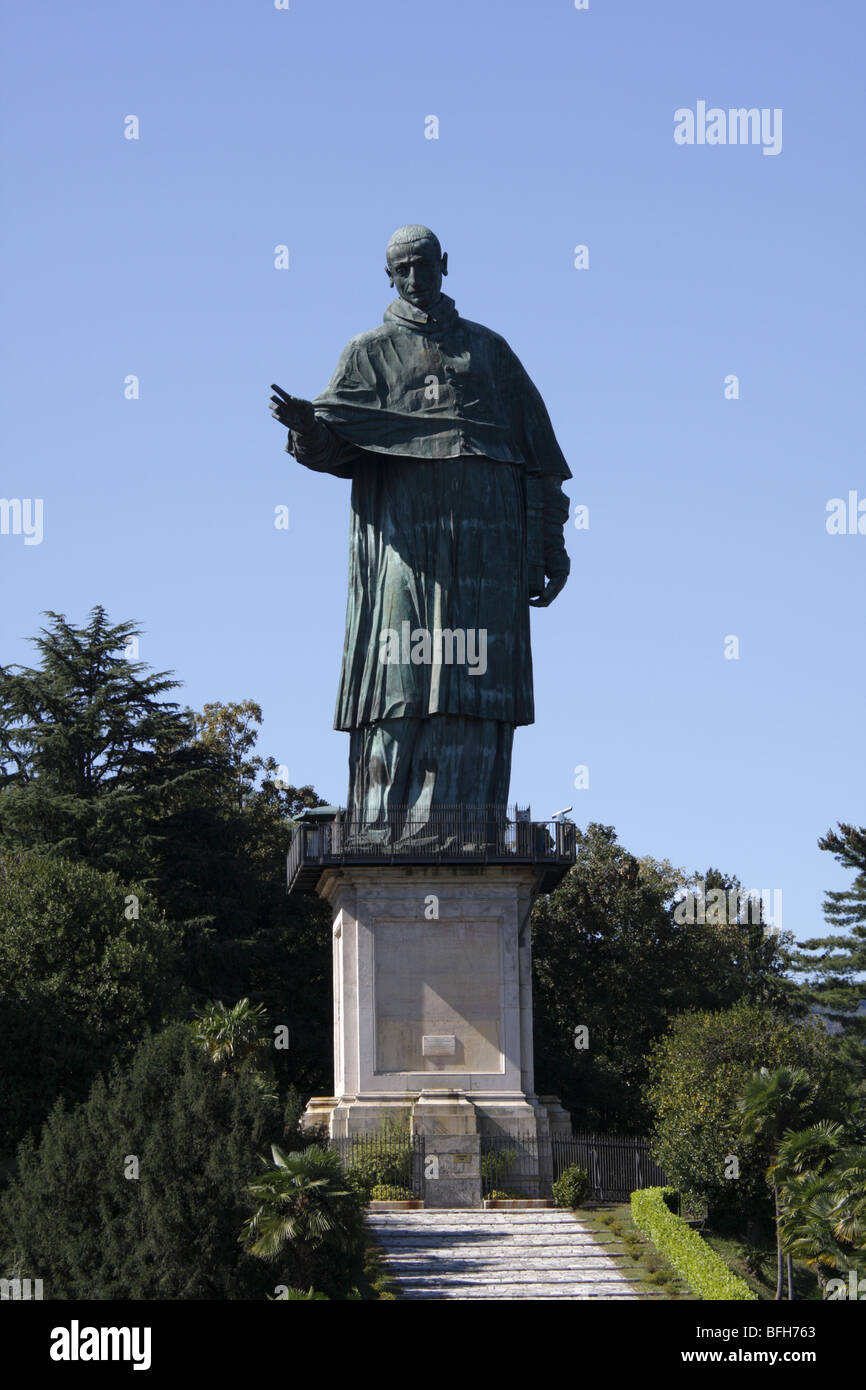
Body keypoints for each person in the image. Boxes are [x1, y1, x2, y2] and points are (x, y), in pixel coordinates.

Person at [270, 225, 571, 836]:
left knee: (478, 680)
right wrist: (306, 428)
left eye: (424, 265)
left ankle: (470, 824)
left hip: (489, 554)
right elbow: (333, 442)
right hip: (405, 546)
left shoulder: (491, 353)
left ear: (445, 264)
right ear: (388, 276)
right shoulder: (369, 352)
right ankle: (387, 823)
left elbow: (541, 463)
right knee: (399, 673)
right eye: (402, 268)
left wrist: (550, 544)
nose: (414, 278)